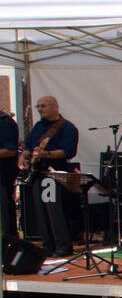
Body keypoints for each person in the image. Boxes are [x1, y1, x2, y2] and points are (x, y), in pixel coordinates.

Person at [17, 96, 79, 257]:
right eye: (38, 106)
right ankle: (48, 245)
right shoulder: (39, 126)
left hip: (53, 174)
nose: (40, 109)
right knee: (41, 211)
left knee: (54, 210)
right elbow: (29, 146)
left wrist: (47, 153)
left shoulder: (67, 128)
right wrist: (24, 156)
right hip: (38, 173)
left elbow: (68, 151)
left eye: (43, 106)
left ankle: (63, 246)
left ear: (55, 107)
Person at [0, 110, 18, 241]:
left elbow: (10, 150)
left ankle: (8, 240)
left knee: (4, 206)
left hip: (3, 173)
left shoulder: (5, 122)